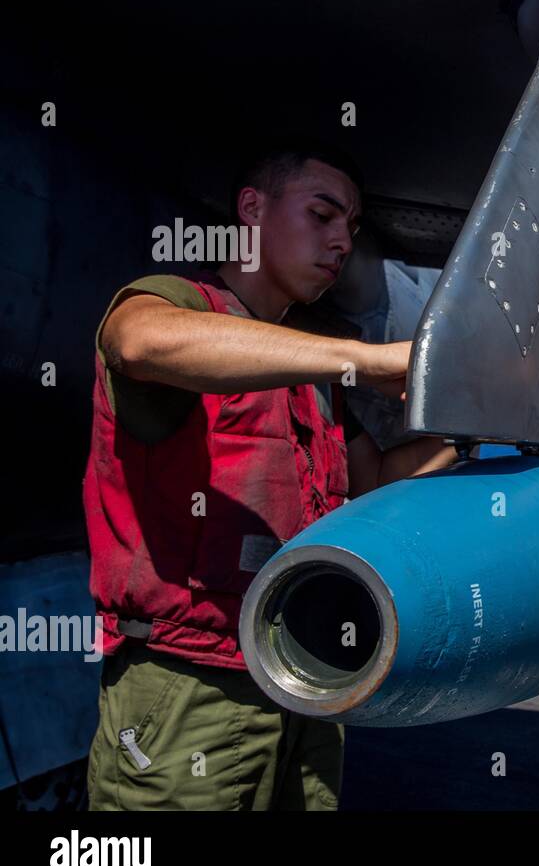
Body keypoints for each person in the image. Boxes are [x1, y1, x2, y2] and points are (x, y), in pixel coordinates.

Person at [85, 141, 456, 809]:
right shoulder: (177, 304)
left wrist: (476, 424)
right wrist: (363, 360)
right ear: (252, 210)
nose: (342, 241)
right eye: (322, 215)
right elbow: (139, 342)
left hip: (306, 680)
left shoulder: (314, 373)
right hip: (188, 687)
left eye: (352, 226)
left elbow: (373, 483)